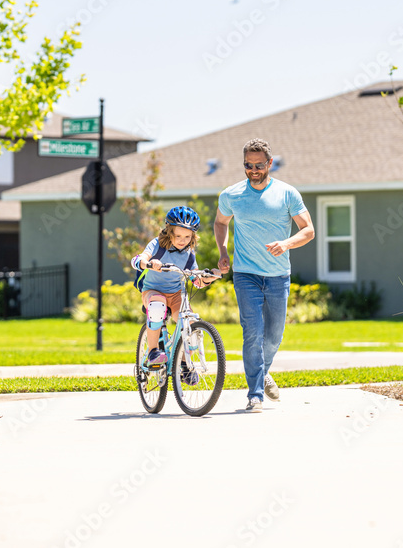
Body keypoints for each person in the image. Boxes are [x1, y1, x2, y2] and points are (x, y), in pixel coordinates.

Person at [214, 138, 314, 412]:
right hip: (245, 273)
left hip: (277, 275)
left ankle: (263, 371)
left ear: (270, 163)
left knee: (274, 335)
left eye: (259, 165)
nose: (254, 170)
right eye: (249, 165)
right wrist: (222, 250)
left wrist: (286, 243)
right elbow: (221, 221)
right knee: (253, 332)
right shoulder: (231, 195)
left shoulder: (287, 194)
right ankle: (255, 394)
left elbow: (308, 230)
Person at [132, 205, 218, 379]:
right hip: (153, 291)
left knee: (191, 323)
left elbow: (195, 280)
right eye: (178, 235)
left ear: (193, 236)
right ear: (169, 231)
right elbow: (139, 259)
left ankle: (186, 364)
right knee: (157, 306)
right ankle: (153, 352)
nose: (182, 240)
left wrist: (209, 278)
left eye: (187, 236)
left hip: (176, 295)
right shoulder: (157, 245)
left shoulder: (189, 253)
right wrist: (149, 263)